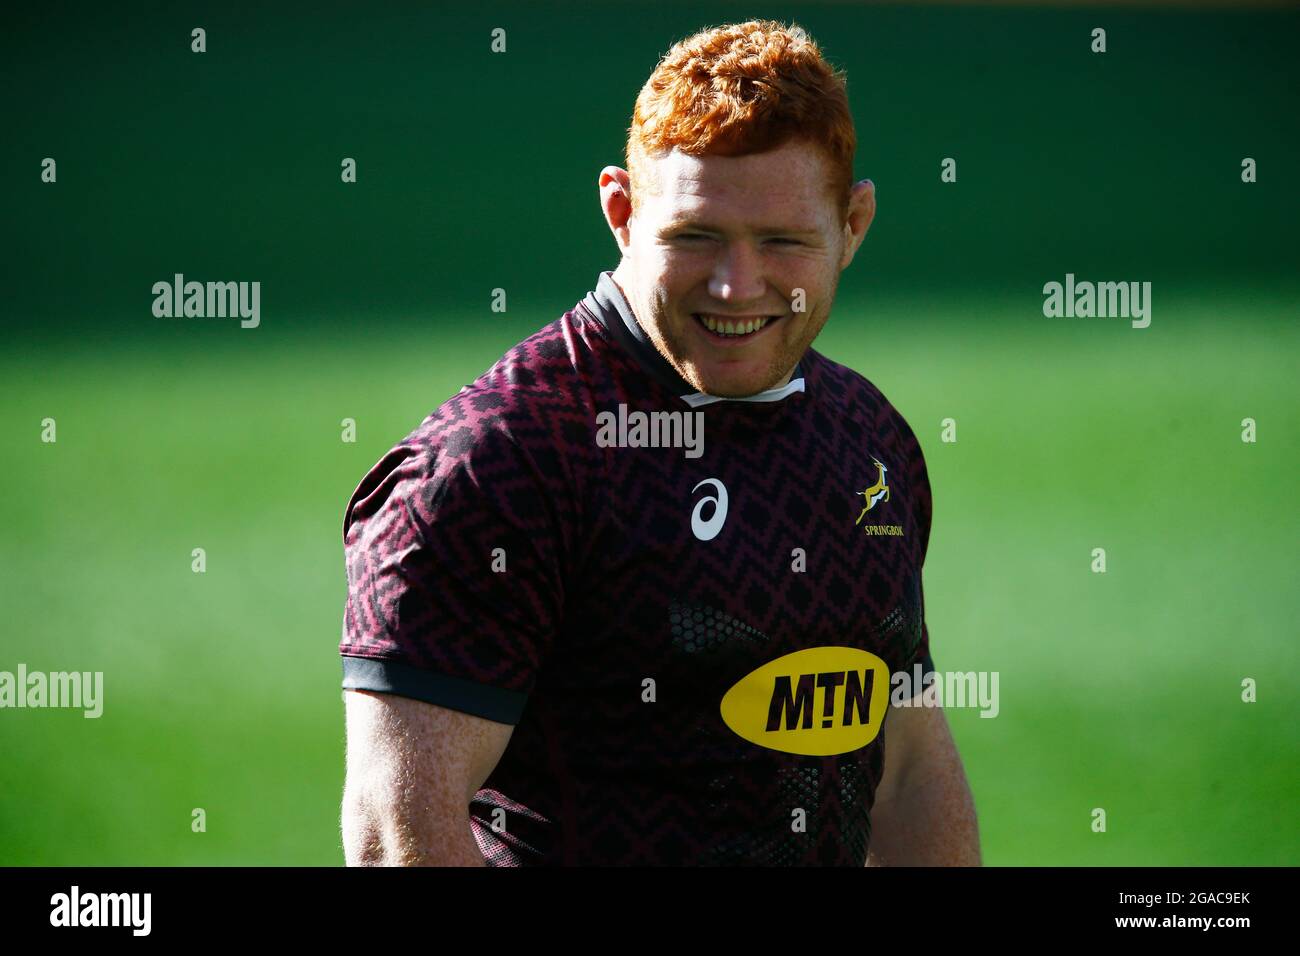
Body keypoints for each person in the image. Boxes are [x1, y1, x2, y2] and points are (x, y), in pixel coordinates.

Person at [339, 19, 980, 866]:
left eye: (783, 240)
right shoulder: (498, 466)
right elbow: (397, 835)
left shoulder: (869, 442)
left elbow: (906, 771)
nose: (735, 285)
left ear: (853, 224)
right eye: (695, 237)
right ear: (622, 213)